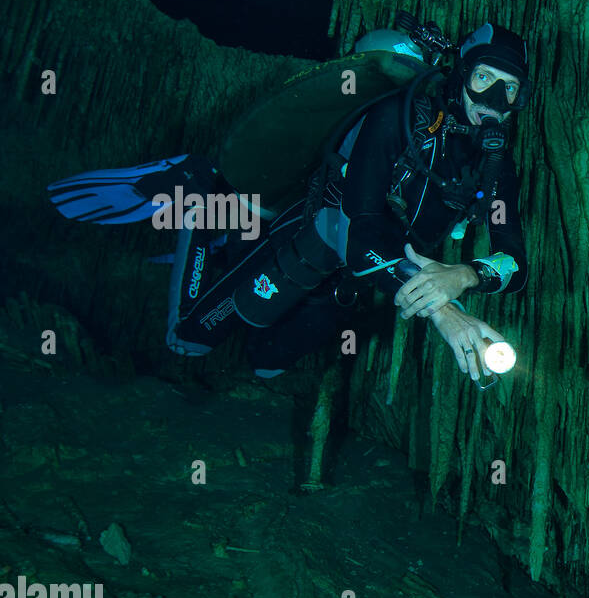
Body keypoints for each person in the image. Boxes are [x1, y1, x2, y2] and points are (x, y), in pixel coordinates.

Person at [48, 19, 531, 383]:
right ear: (462, 73)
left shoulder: (496, 168)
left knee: (267, 366)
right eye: (485, 78)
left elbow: (516, 263)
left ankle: (227, 241)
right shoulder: (397, 119)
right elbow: (358, 229)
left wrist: (464, 275)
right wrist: (444, 310)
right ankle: (201, 194)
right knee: (189, 339)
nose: (495, 98)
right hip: (318, 237)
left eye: (511, 89)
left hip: (365, 280)